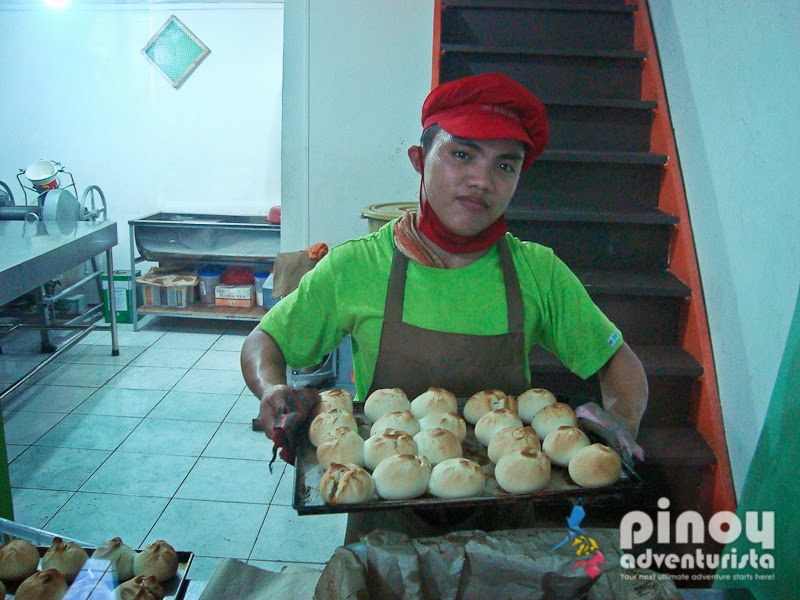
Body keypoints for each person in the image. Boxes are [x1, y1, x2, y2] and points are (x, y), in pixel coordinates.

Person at [241, 72, 648, 541]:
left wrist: (621, 423)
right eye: (462, 155)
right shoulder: (357, 266)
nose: (482, 181)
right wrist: (271, 388)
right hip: (385, 519)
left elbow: (616, 359)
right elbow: (265, 340)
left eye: (505, 166)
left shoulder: (538, 271)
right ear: (420, 160)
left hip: (505, 516)